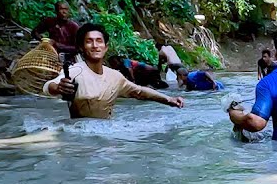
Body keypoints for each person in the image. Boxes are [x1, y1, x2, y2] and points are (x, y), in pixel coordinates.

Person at [44, 23, 185, 119]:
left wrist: (169, 99)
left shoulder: (115, 77)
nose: (95, 46)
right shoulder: (75, 71)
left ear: (105, 47)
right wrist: (59, 87)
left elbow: (140, 92)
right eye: (89, 41)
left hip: (107, 130)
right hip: (79, 132)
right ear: (81, 47)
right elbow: (49, 86)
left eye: (99, 41)